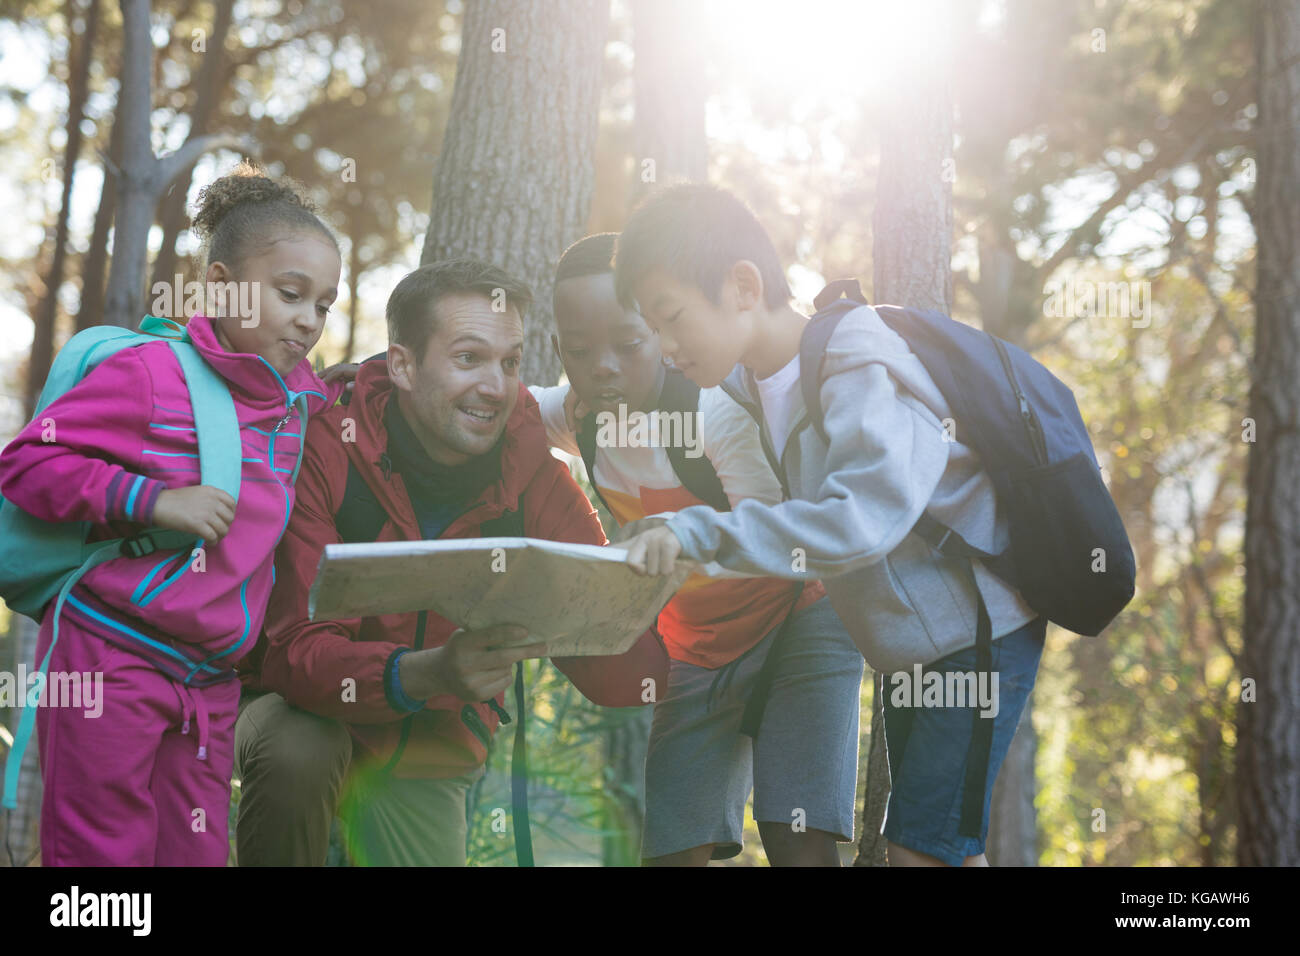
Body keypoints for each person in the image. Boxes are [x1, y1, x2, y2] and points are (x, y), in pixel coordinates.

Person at [614, 183, 1046, 868]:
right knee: (940, 850)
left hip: (979, 634)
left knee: (919, 854)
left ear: (743, 286)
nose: (665, 347)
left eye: (671, 317)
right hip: (914, 646)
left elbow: (860, 522)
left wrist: (700, 534)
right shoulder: (744, 386)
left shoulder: (853, 356)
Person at [234, 256, 667, 867]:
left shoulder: (535, 477)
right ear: (405, 365)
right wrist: (431, 672)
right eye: (469, 359)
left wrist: (647, 585)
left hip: (429, 750)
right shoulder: (329, 442)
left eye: (510, 363)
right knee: (301, 743)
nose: (496, 386)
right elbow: (293, 655)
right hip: (293, 711)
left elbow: (620, 677)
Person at [0, 165, 342, 865]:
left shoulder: (296, 408)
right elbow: (27, 464)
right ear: (220, 286)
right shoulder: (152, 375)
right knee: (103, 862)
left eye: (325, 304)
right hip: (111, 660)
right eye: (290, 294)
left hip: (209, 688)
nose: (309, 320)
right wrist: (151, 500)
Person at [528, 233, 862, 866]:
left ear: (661, 334)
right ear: (560, 352)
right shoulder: (578, 415)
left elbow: (773, 529)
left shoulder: (714, 413)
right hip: (698, 646)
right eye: (579, 349)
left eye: (628, 344)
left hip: (802, 621)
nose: (603, 365)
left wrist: (678, 543)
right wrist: (372, 379)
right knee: (675, 841)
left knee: (798, 833)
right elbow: (495, 405)